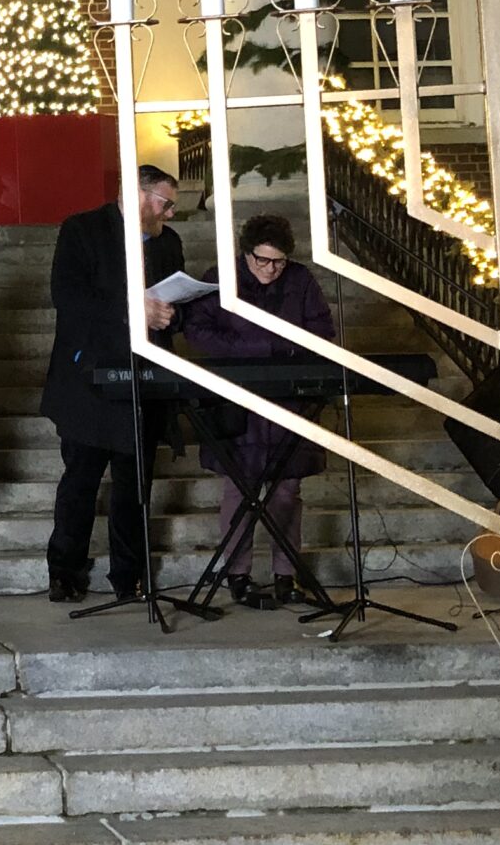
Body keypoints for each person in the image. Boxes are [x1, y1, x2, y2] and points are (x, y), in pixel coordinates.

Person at [41, 165, 185, 604]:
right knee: (80, 482)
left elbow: (168, 297)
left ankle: (130, 574)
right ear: (135, 193)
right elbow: (67, 296)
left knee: (134, 488)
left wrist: (168, 313)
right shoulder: (83, 230)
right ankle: (65, 570)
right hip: (89, 379)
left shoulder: (168, 242)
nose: (169, 214)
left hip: (142, 380)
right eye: (164, 202)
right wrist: (131, 310)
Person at [182, 213, 340, 608]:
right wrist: (258, 349)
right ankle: (238, 574)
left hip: (290, 399)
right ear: (245, 254)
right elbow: (197, 330)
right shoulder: (220, 277)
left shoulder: (300, 280)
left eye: (279, 261)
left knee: (287, 490)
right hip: (236, 399)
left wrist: (290, 351)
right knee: (240, 487)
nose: (271, 269)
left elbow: (322, 331)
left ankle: (287, 576)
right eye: (262, 260)